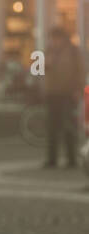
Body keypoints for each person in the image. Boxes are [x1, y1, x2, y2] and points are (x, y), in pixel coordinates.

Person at [42, 25, 86, 168]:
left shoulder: (73, 51)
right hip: (52, 93)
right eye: (52, 38)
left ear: (62, 38)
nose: (54, 41)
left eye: (56, 38)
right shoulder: (48, 51)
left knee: (68, 126)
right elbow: (39, 69)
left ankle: (71, 159)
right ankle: (52, 159)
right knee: (52, 127)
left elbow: (81, 71)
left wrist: (78, 90)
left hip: (68, 93)